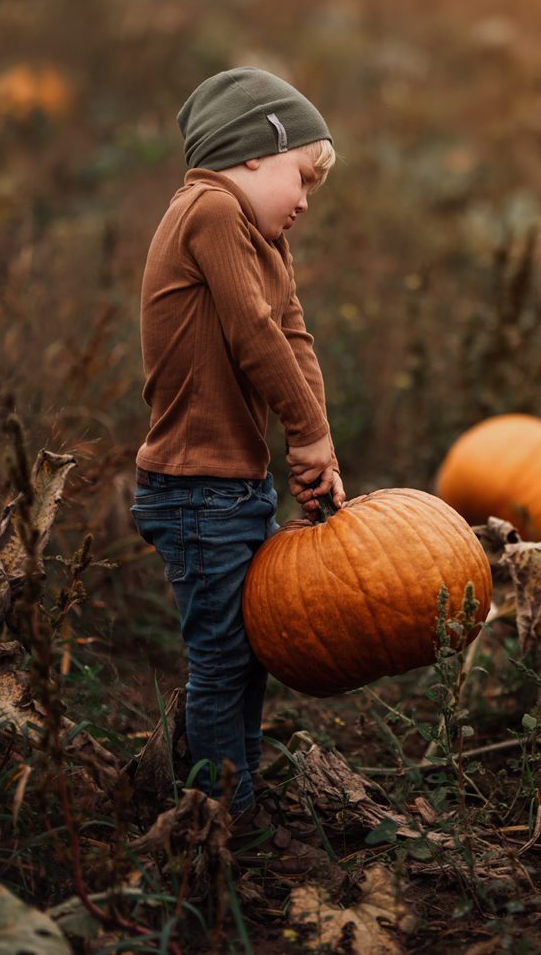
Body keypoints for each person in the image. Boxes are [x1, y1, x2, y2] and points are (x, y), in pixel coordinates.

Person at [132, 67, 346, 824]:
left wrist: (318, 447)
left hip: (234, 485)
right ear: (257, 150)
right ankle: (219, 813)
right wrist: (305, 428)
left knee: (246, 655)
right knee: (222, 659)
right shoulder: (209, 211)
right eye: (301, 178)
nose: (304, 201)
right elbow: (252, 333)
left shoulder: (260, 238)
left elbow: (291, 333)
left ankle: (232, 795)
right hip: (194, 489)